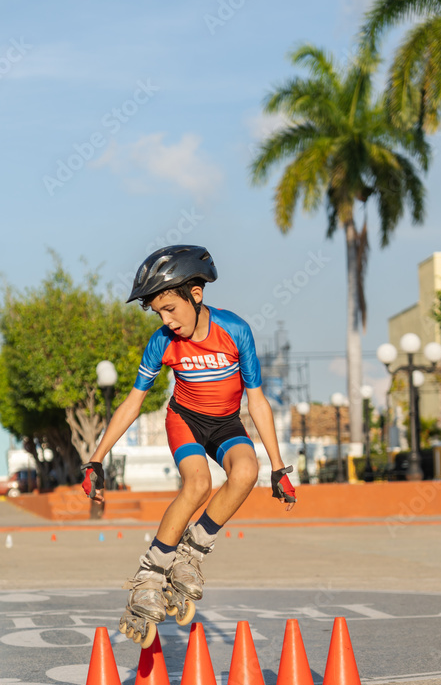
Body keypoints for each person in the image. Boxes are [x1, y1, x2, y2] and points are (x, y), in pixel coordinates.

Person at [82, 244, 296, 647]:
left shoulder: (235, 330)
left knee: (247, 472)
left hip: (226, 422)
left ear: (195, 295)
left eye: (171, 309)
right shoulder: (162, 342)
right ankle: (149, 575)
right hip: (184, 419)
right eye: (158, 312)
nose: (166, 320)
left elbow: (258, 400)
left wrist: (279, 468)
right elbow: (132, 402)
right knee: (197, 484)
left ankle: (191, 555)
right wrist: (96, 459)